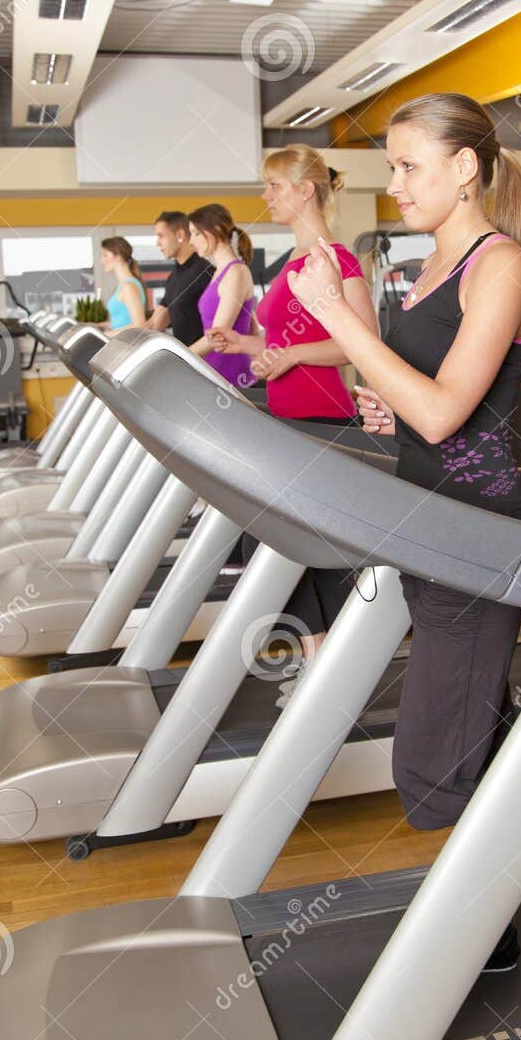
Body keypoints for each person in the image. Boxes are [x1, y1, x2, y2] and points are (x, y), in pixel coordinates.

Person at [286, 91, 521, 977]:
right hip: (429, 531)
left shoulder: (498, 263)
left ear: (463, 167)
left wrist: (339, 321)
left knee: (432, 773)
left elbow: (443, 418)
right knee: (478, 743)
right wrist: (380, 401)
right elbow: (423, 405)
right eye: (391, 167)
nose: (393, 184)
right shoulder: (431, 262)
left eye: (406, 166)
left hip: (475, 540)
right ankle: (501, 901)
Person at [208, 146, 378, 669]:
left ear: (306, 190)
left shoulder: (335, 259)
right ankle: (318, 656)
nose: (265, 197)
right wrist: (246, 348)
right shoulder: (292, 264)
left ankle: (322, 656)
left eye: (274, 185)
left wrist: (295, 354)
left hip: (323, 418)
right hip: (290, 418)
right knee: (283, 542)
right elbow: (282, 342)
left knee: (284, 541)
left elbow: (364, 341)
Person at [185, 204, 255, 387]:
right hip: (214, 371)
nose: (191, 241)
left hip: (232, 374)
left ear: (215, 230)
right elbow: (251, 323)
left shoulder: (236, 273)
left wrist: (179, 356)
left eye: (195, 233)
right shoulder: (219, 273)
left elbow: (218, 334)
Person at [146, 210, 214, 347]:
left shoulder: (206, 272)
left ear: (180, 235)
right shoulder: (173, 278)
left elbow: (221, 328)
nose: (157, 243)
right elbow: (155, 323)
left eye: (161, 236)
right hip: (185, 361)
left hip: (206, 363)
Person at [99, 237, 148, 329]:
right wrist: (96, 326)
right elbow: (119, 324)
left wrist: (107, 335)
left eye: (105, 255)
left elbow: (139, 325)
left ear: (118, 257)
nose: (101, 260)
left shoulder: (129, 286)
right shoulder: (122, 285)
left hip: (126, 342)